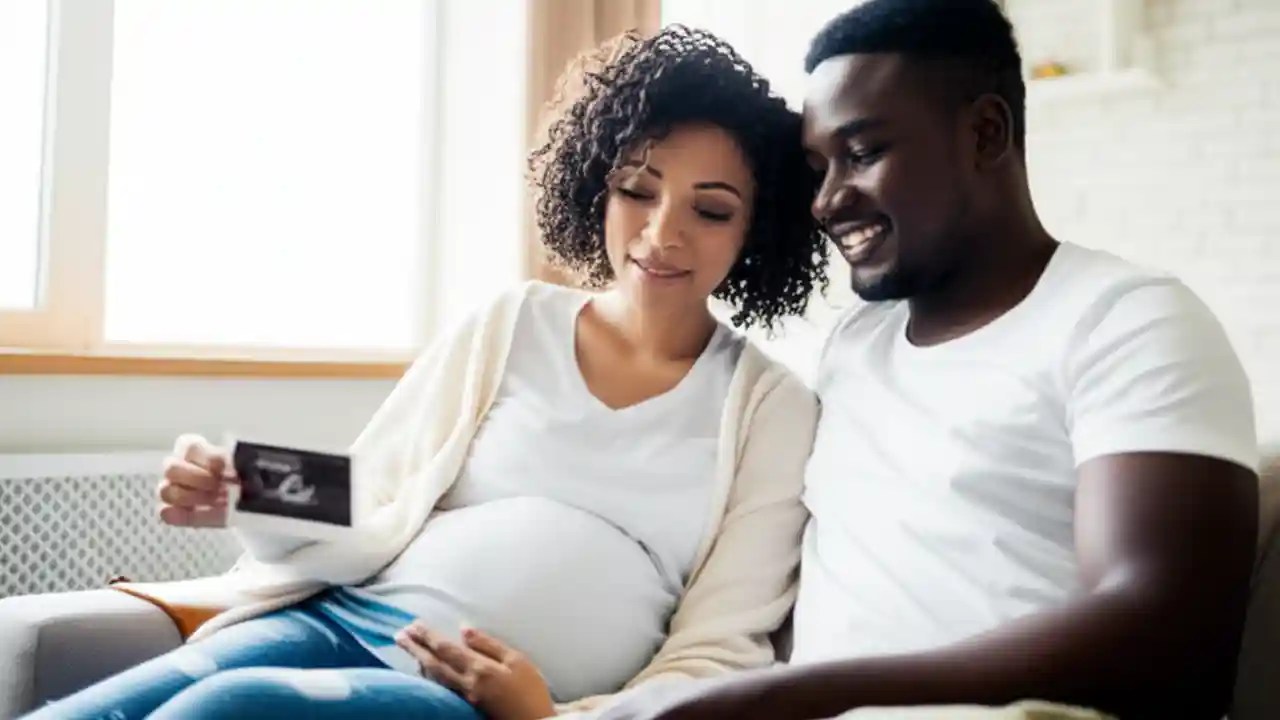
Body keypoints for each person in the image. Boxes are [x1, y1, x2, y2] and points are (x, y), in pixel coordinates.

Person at [22, 26, 828, 720]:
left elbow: (725, 649)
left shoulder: (769, 407)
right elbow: (377, 490)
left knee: (223, 711)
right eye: (636, 192)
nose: (662, 233)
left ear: (759, 230)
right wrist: (243, 482)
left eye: (710, 209)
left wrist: (546, 716)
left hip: (480, 699)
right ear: (597, 189)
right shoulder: (512, 323)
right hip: (345, 617)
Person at [596, 1, 1261, 719]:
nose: (827, 201)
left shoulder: (1126, 321)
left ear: (985, 132)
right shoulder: (854, 347)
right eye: (819, 167)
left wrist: (788, 697)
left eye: (864, 153)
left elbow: (1172, 642)